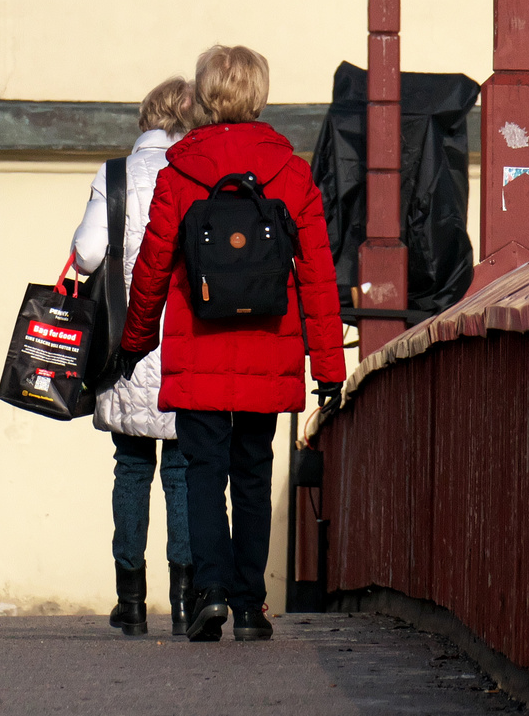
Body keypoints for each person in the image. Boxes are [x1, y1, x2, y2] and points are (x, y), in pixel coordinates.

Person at [119, 44, 346, 642]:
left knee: (202, 472)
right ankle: (249, 606)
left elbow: (152, 268)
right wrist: (328, 366)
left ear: (204, 96)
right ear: (259, 96)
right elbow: (318, 276)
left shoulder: (179, 173)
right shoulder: (291, 172)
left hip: (198, 348)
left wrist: (135, 341)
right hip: (269, 349)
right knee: (252, 473)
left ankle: (211, 591)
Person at [72, 76, 195, 638]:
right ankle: (185, 601)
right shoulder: (195, 172)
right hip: (184, 343)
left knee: (131, 468)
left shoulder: (116, 175)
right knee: (182, 473)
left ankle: (132, 601)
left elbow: (87, 253)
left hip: (127, 343)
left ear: (147, 118)